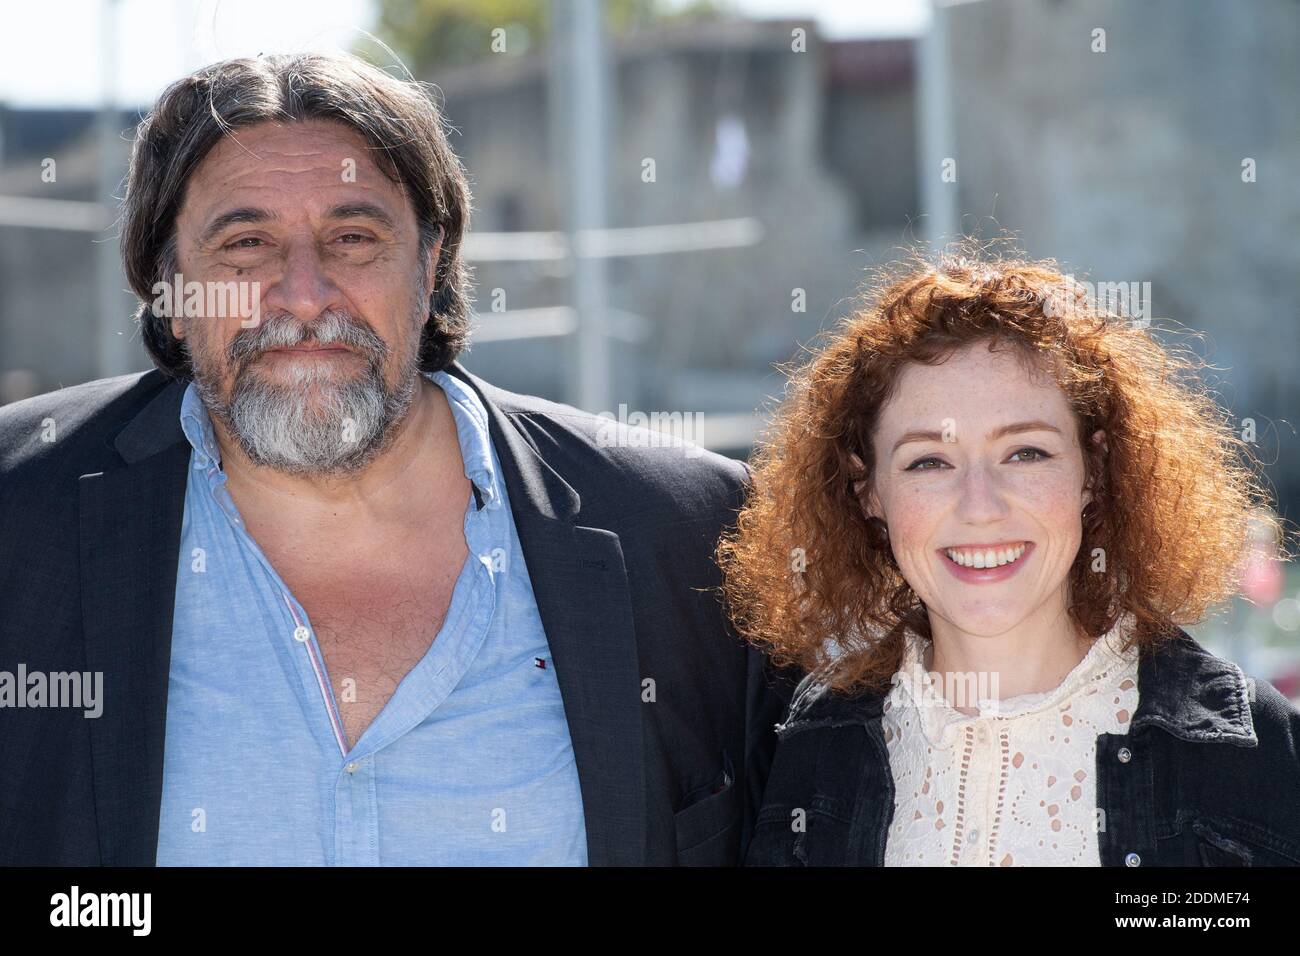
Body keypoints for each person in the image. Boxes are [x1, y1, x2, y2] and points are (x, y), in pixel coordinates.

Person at [0, 51, 783, 866]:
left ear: (430, 263)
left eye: (353, 238)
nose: (305, 294)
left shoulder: (692, 534)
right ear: (169, 284)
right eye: (246, 244)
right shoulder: (21, 517)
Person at [718, 250, 1300, 866]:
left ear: (1094, 471)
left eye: (1025, 453)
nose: (981, 507)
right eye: (929, 462)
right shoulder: (810, 748)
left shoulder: (1252, 753)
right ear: (868, 491)